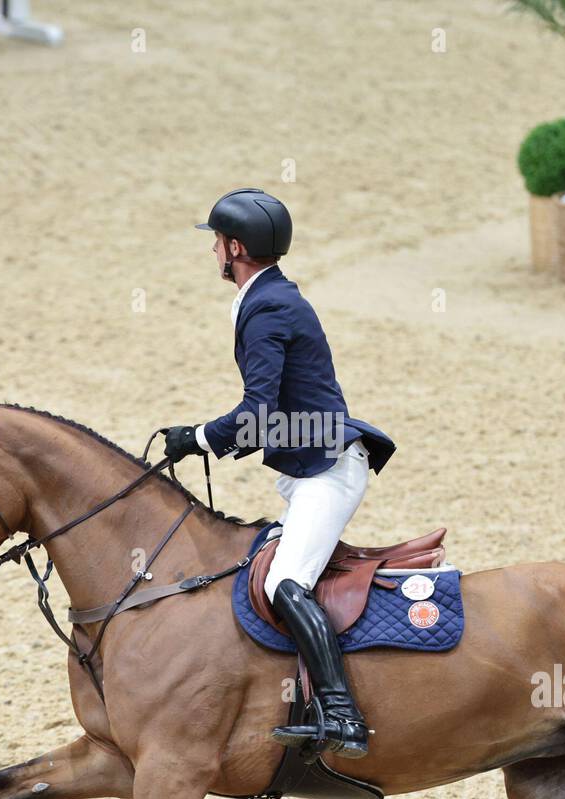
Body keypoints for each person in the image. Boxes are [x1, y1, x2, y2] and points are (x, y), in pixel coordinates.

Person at [163, 188, 396, 758]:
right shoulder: (268, 295)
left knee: (283, 582)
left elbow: (258, 410)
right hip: (310, 464)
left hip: (328, 469)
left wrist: (198, 439)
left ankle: (341, 714)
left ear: (235, 247)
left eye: (216, 241)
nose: (213, 250)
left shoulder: (267, 307)